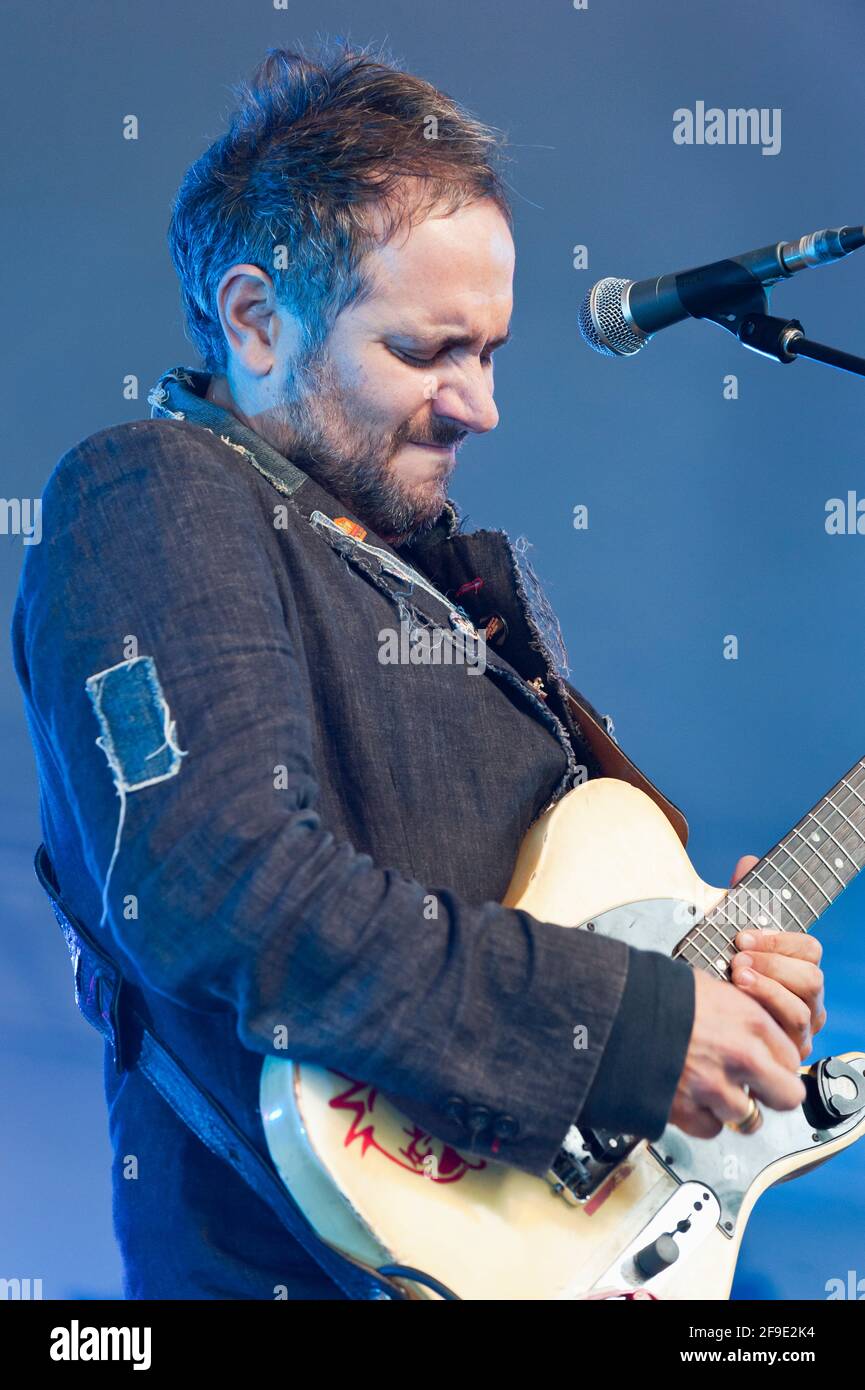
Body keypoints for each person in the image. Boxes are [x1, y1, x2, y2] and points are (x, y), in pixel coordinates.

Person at [11, 41, 824, 1300]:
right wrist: (637, 1027)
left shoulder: (427, 580)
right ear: (255, 320)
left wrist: (702, 976)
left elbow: (513, 919)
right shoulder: (152, 493)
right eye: (429, 349)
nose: (479, 404)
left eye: (489, 352)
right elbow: (218, 885)